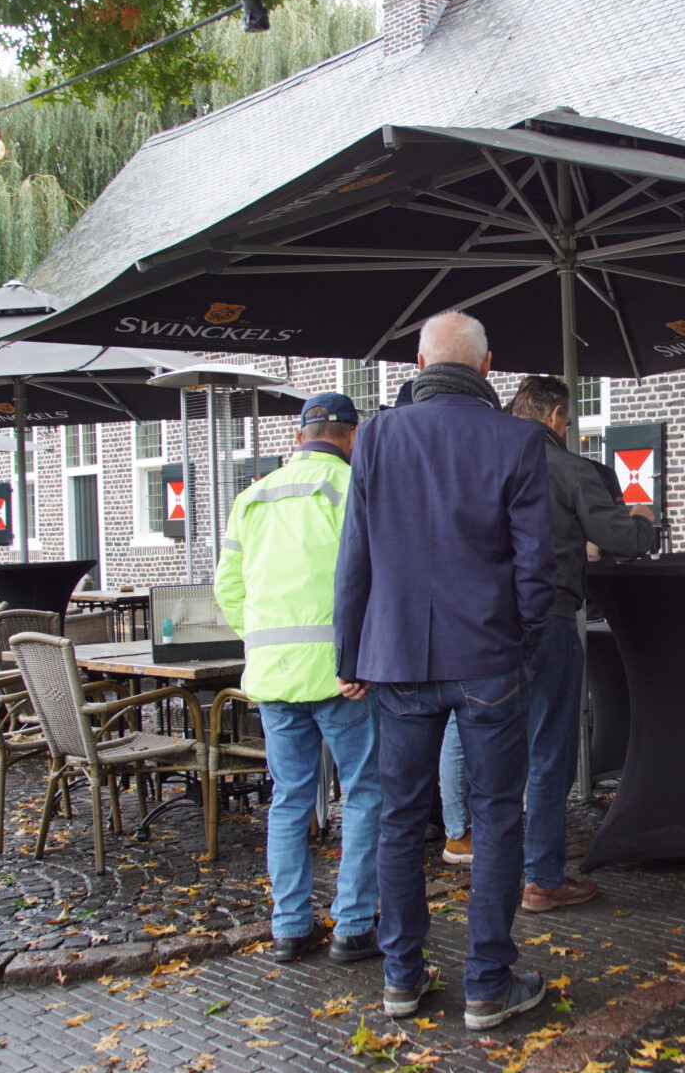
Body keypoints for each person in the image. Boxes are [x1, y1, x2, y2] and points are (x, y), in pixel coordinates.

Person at [335, 311, 556, 1032]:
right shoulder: (519, 439)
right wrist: (517, 642)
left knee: (400, 818)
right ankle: (488, 984)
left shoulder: (375, 438)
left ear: (420, 359)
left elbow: (355, 558)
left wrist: (350, 654)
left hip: (396, 660)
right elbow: (535, 566)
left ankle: (402, 977)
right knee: (496, 818)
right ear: (486, 365)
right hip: (488, 656)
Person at [212, 392, 380, 965]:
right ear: (352, 437)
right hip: (341, 677)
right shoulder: (350, 489)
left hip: (271, 676)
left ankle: (288, 927)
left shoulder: (250, 498)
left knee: (288, 800)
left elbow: (227, 589)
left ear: (296, 435)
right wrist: (360, 656)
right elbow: (369, 579)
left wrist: (261, 642)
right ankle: (353, 926)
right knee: (363, 794)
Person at [508, 376, 655, 911]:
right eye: (567, 421)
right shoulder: (568, 468)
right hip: (547, 618)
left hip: (483, 630)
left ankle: (501, 872)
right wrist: (644, 521)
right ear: (553, 417)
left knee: (496, 754)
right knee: (550, 752)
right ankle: (543, 879)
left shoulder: (484, 465)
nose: (567, 429)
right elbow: (620, 539)